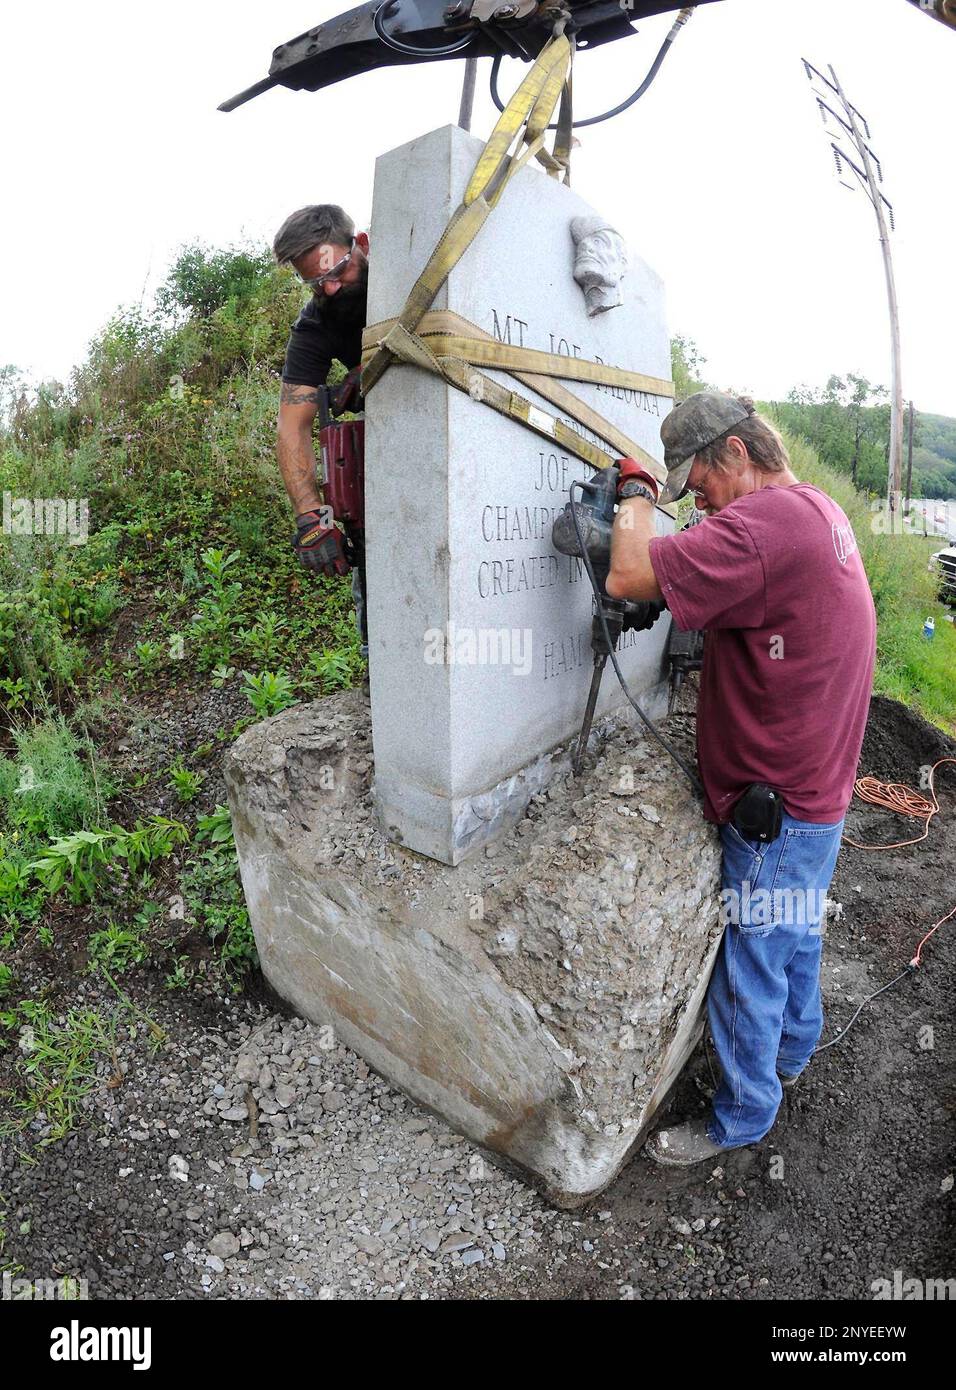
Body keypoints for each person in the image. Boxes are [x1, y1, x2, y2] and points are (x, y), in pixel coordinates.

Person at [604, 391, 876, 1167]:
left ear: (733, 454)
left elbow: (628, 573)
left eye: (702, 484)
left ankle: (743, 1118)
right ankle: (793, 1053)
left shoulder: (762, 529)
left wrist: (636, 494)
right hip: (818, 795)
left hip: (774, 812)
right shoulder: (812, 508)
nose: (705, 504)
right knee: (795, 938)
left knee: (749, 966)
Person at [273, 203, 369, 650]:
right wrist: (309, 514)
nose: (329, 288)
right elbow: (293, 426)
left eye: (338, 271)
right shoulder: (314, 327)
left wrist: (374, 367)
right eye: (314, 282)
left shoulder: (414, 267)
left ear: (361, 245)